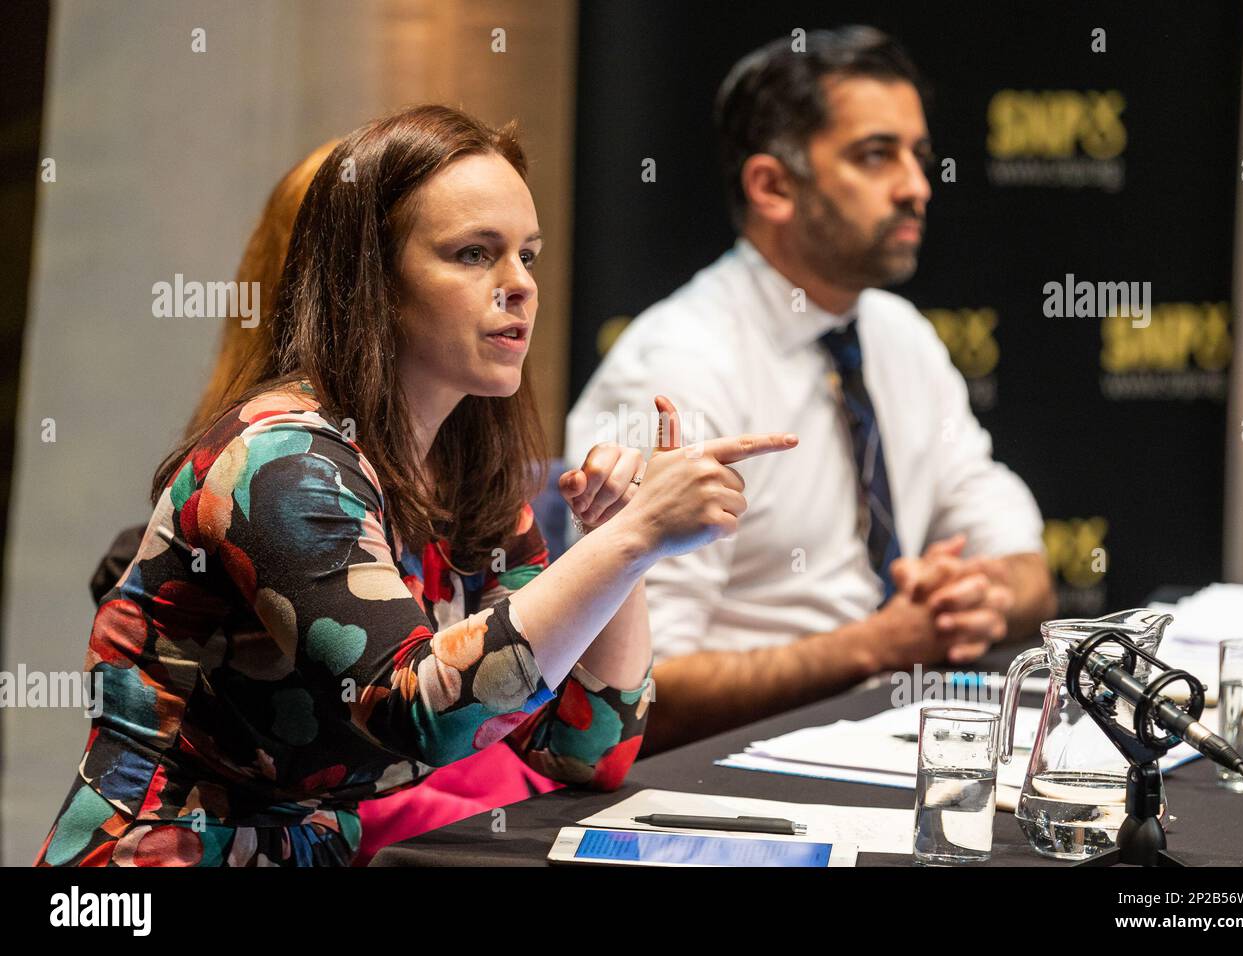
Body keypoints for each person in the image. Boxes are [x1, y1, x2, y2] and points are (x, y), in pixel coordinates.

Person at [37, 104, 797, 866]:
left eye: (527, 256)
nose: (519, 287)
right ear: (374, 284)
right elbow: (416, 713)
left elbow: (585, 749)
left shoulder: (468, 470)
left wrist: (620, 547)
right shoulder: (279, 463)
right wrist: (638, 536)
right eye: (473, 254)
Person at [566, 27, 1055, 754]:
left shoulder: (900, 336)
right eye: (875, 155)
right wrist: (876, 647)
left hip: (884, 739)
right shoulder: (678, 368)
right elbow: (641, 693)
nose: (917, 187)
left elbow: (1029, 571)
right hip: (723, 775)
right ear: (772, 186)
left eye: (918, 157)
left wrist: (980, 601)